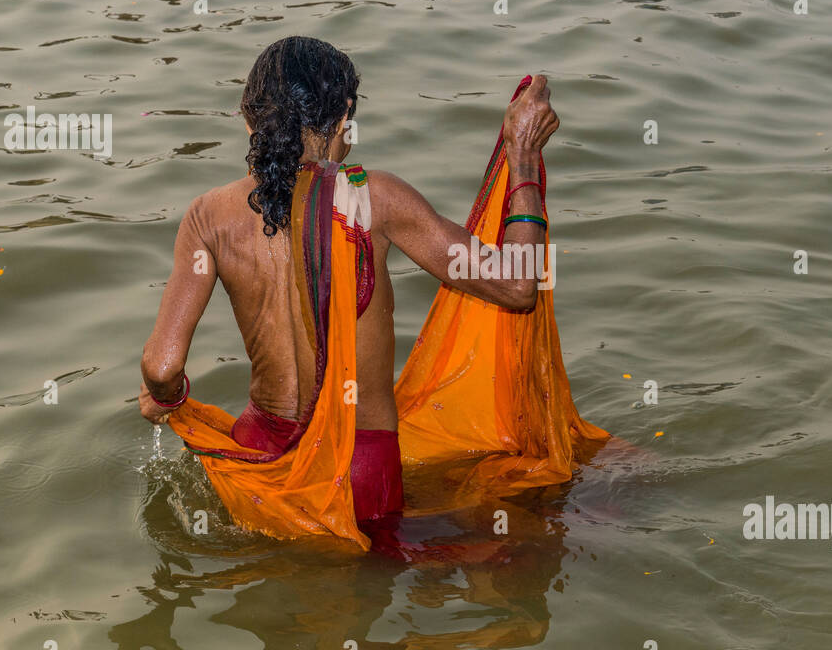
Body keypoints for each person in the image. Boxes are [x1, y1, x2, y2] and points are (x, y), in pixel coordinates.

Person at [138, 36, 561, 530]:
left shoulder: (207, 216)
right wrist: (524, 156)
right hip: (358, 469)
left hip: (262, 454)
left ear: (248, 119)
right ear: (346, 116)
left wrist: (169, 399)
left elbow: (162, 365)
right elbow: (516, 287)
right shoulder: (373, 198)